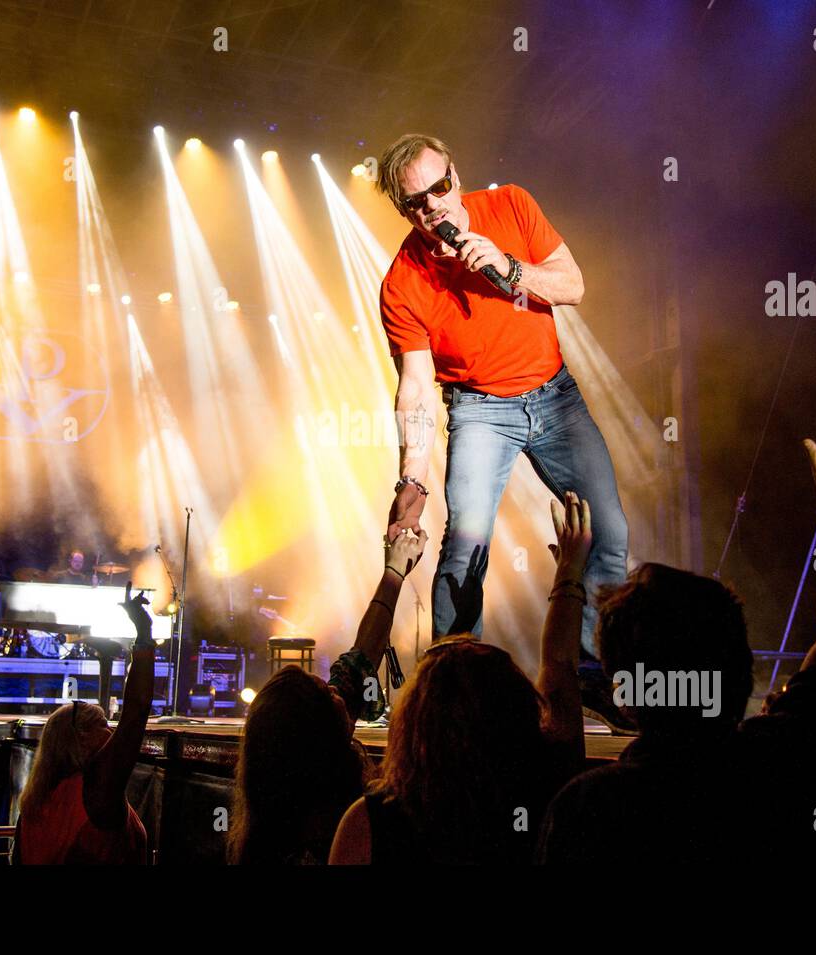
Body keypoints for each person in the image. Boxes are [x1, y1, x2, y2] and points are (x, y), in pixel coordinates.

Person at [538, 404, 816, 867]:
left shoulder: (587, 807)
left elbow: (559, 677)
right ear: (741, 670)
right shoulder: (783, 763)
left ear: (622, 695)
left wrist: (569, 574)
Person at [374, 134, 631, 730]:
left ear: (455, 177)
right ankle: (455, 690)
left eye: (439, 189)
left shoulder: (511, 204)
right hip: (478, 409)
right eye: (416, 202)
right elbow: (414, 385)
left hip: (555, 396)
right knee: (465, 544)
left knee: (607, 530)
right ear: (403, 210)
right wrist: (411, 477)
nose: (432, 206)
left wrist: (509, 266)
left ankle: (595, 675)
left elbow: (573, 285)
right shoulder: (403, 282)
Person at [328, 492, 588, 864]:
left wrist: (394, 571)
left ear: (413, 723)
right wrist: (570, 573)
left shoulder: (371, 822)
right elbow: (561, 667)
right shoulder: (551, 793)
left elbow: (355, 670)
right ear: (518, 708)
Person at [228, 528, 427, 865]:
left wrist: (394, 572)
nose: (334, 686)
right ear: (315, 739)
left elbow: (363, 652)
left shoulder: (311, 762)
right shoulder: (310, 844)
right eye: (324, 692)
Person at [16, 584, 155, 864]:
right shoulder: (96, 790)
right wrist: (143, 634)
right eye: (103, 725)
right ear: (81, 738)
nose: (111, 731)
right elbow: (135, 713)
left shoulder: (35, 801)